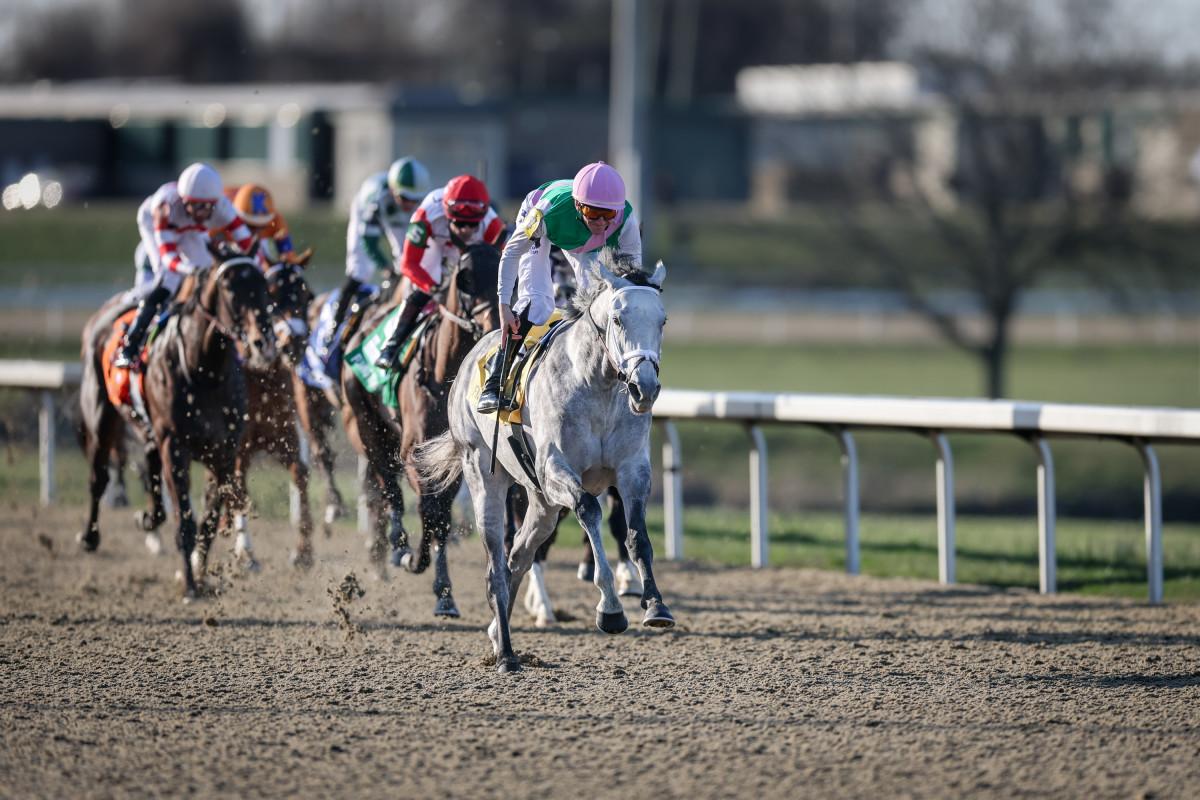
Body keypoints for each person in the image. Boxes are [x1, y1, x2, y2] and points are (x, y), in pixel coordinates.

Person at [476, 161, 641, 412]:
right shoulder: (545, 213)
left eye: (607, 215)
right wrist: (504, 306)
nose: (599, 222)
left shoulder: (626, 220)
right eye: (592, 211)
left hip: (582, 242)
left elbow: (631, 284)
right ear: (578, 204)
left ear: (617, 211)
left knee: (595, 303)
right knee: (539, 302)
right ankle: (496, 376)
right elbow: (510, 253)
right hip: (546, 220)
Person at [115, 162, 253, 368]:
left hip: (188, 231)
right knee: (167, 278)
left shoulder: (222, 206)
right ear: (184, 200)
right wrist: (190, 270)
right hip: (155, 228)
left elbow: (249, 246)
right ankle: (131, 344)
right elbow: (169, 259)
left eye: (209, 207)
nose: (204, 213)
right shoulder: (165, 207)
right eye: (198, 206)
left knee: (209, 274)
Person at [373, 174, 507, 370]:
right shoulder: (427, 214)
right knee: (428, 278)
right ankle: (393, 343)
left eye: (473, 224)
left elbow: (506, 263)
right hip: (435, 245)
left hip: (470, 251)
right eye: (460, 223)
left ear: (483, 217)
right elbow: (408, 263)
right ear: (447, 214)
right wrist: (432, 288)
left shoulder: (491, 223)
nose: (466, 230)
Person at [320, 156, 430, 357]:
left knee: (406, 262)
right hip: (367, 210)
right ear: (392, 191)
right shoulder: (377, 199)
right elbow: (369, 242)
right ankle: (333, 329)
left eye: (415, 200)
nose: (410, 204)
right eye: (405, 199)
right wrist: (385, 268)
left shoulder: (414, 203)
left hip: (392, 215)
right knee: (360, 270)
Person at [221, 183, 310, 267]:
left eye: (262, 226)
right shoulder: (221, 214)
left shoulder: (276, 221)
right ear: (236, 218)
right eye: (251, 226)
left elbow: (290, 261)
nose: (257, 232)